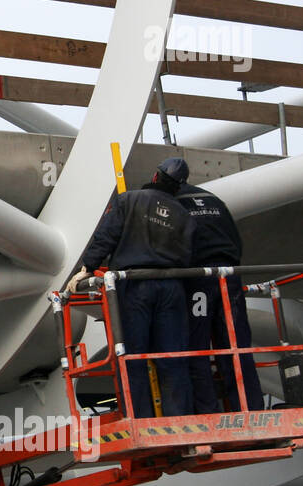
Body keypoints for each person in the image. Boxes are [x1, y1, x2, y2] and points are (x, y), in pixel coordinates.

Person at [67, 160, 196, 419]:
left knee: (132, 357)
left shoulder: (129, 201)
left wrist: (87, 268)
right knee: (172, 357)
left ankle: (139, 418)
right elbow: (189, 254)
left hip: (134, 284)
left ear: (155, 175)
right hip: (172, 287)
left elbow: (107, 235)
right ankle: (178, 418)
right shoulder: (184, 215)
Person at [173, 160, 263, 413]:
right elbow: (235, 240)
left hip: (198, 277)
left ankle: (206, 412)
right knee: (236, 345)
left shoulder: (172, 203)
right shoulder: (214, 200)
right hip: (229, 275)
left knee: (196, 349)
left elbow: (173, 244)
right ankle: (248, 409)